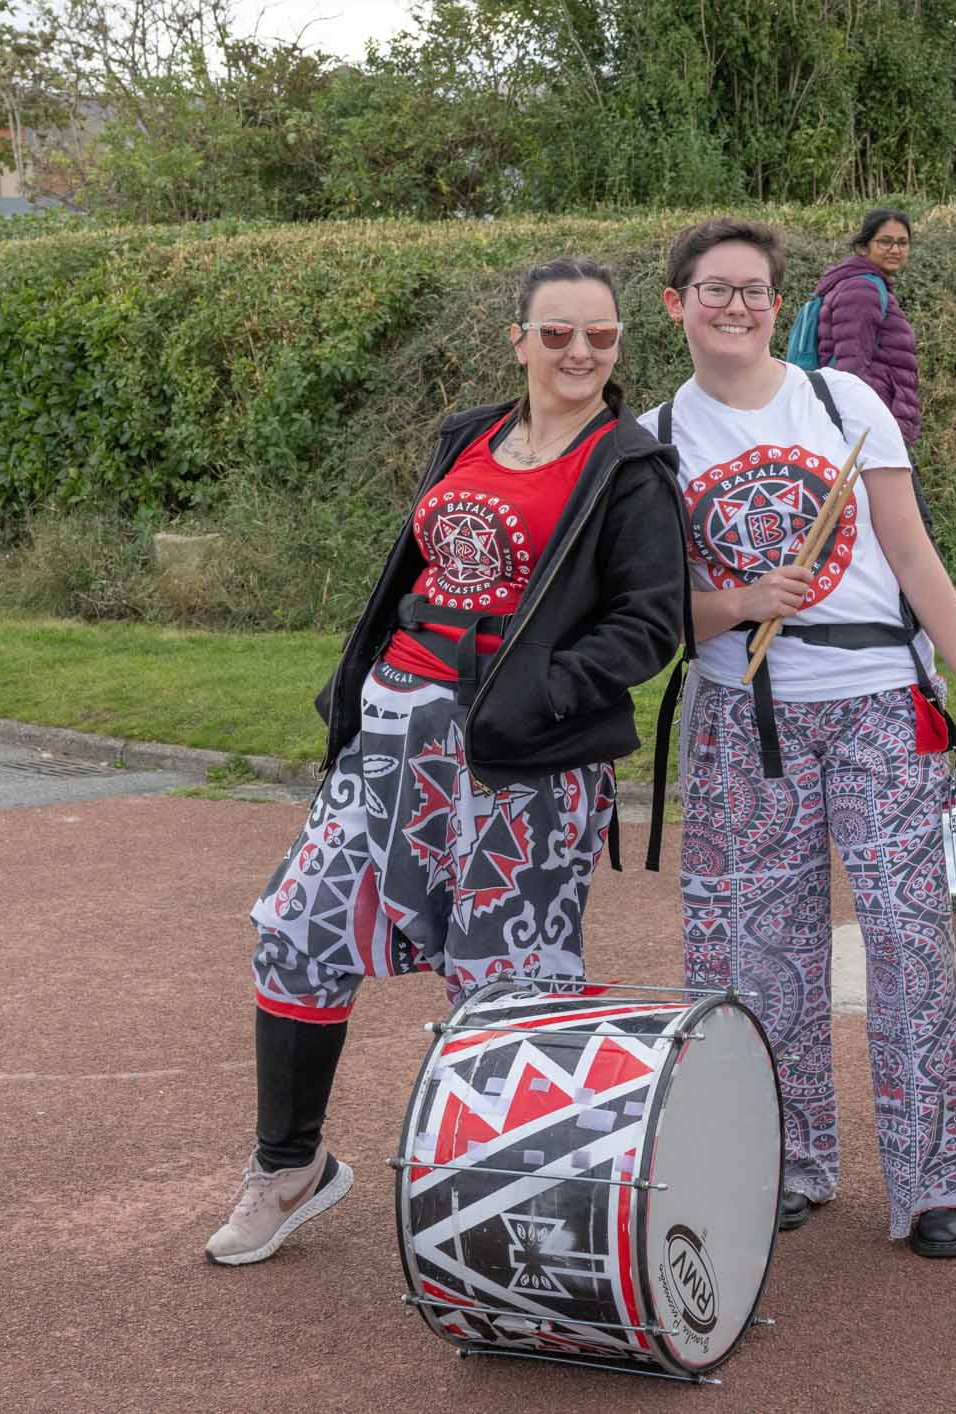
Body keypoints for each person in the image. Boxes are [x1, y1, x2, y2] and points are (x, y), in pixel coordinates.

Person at [205, 257, 688, 1266]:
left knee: (504, 983)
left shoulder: (629, 466)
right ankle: (288, 1167)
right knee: (297, 933)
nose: (579, 353)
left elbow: (648, 627)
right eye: (556, 334)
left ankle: (511, 1215)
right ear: (518, 339)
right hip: (393, 734)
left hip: (524, 760)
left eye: (599, 336)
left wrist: (537, 690)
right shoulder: (464, 435)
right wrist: (368, 683)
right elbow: (413, 567)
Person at [644, 217, 956, 1257]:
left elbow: (908, 547)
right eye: (714, 289)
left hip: (882, 700)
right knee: (757, 953)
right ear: (675, 305)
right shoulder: (654, 436)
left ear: (776, 304)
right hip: (740, 716)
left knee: (907, 938)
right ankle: (783, 1157)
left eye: (754, 290)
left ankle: (934, 1176)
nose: (735, 307)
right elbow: (657, 608)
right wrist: (743, 599)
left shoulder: (841, 403)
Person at [816, 208, 956, 657]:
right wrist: (866, 429)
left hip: (874, 431)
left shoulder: (865, 286)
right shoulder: (861, 290)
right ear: (863, 246)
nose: (896, 249)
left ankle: (922, 620)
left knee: (892, 533)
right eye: (886, 241)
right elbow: (850, 368)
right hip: (869, 436)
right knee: (913, 532)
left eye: (903, 242)